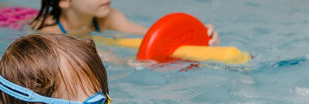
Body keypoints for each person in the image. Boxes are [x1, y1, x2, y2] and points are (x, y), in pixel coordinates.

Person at [29, 0, 220, 45]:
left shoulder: (108, 17)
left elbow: (152, 35)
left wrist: (198, 35)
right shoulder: (49, 32)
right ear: (65, 1)